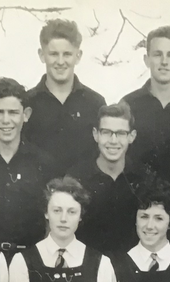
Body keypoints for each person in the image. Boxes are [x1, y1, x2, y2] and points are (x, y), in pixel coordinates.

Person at [0, 77, 61, 254]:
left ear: (26, 114)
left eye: (13, 112)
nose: (6, 120)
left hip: (31, 259)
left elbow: (53, 219)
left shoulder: (44, 164)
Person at [67, 103, 165, 255]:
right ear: (96, 134)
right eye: (106, 132)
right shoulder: (76, 178)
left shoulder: (145, 178)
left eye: (120, 133)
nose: (113, 141)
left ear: (131, 137)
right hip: (87, 267)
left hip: (133, 268)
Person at [22, 19, 107, 172]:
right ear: (42, 55)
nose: (60, 62)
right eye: (54, 54)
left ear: (78, 56)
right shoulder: (27, 102)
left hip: (83, 191)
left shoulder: (95, 103)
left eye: (67, 54)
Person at [119, 26, 170, 180]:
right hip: (138, 197)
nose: (164, 62)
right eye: (157, 54)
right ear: (147, 60)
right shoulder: (128, 104)